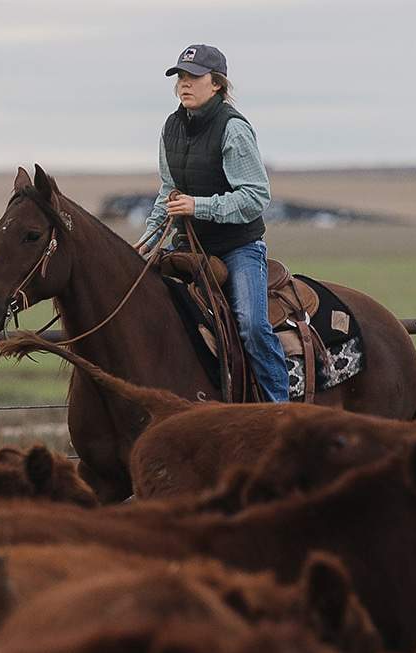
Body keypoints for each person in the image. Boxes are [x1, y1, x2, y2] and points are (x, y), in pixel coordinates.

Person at [137, 44, 290, 403]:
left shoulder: (233, 129)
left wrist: (198, 206)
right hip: (187, 248)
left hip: (237, 248)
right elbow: (168, 192)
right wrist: (146, 242)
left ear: (217, 83)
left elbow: (255, 197)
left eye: (193, 77)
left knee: (251, 326)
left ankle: (281, 410)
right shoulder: (171, 127)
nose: (184, 84)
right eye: (180, 77)